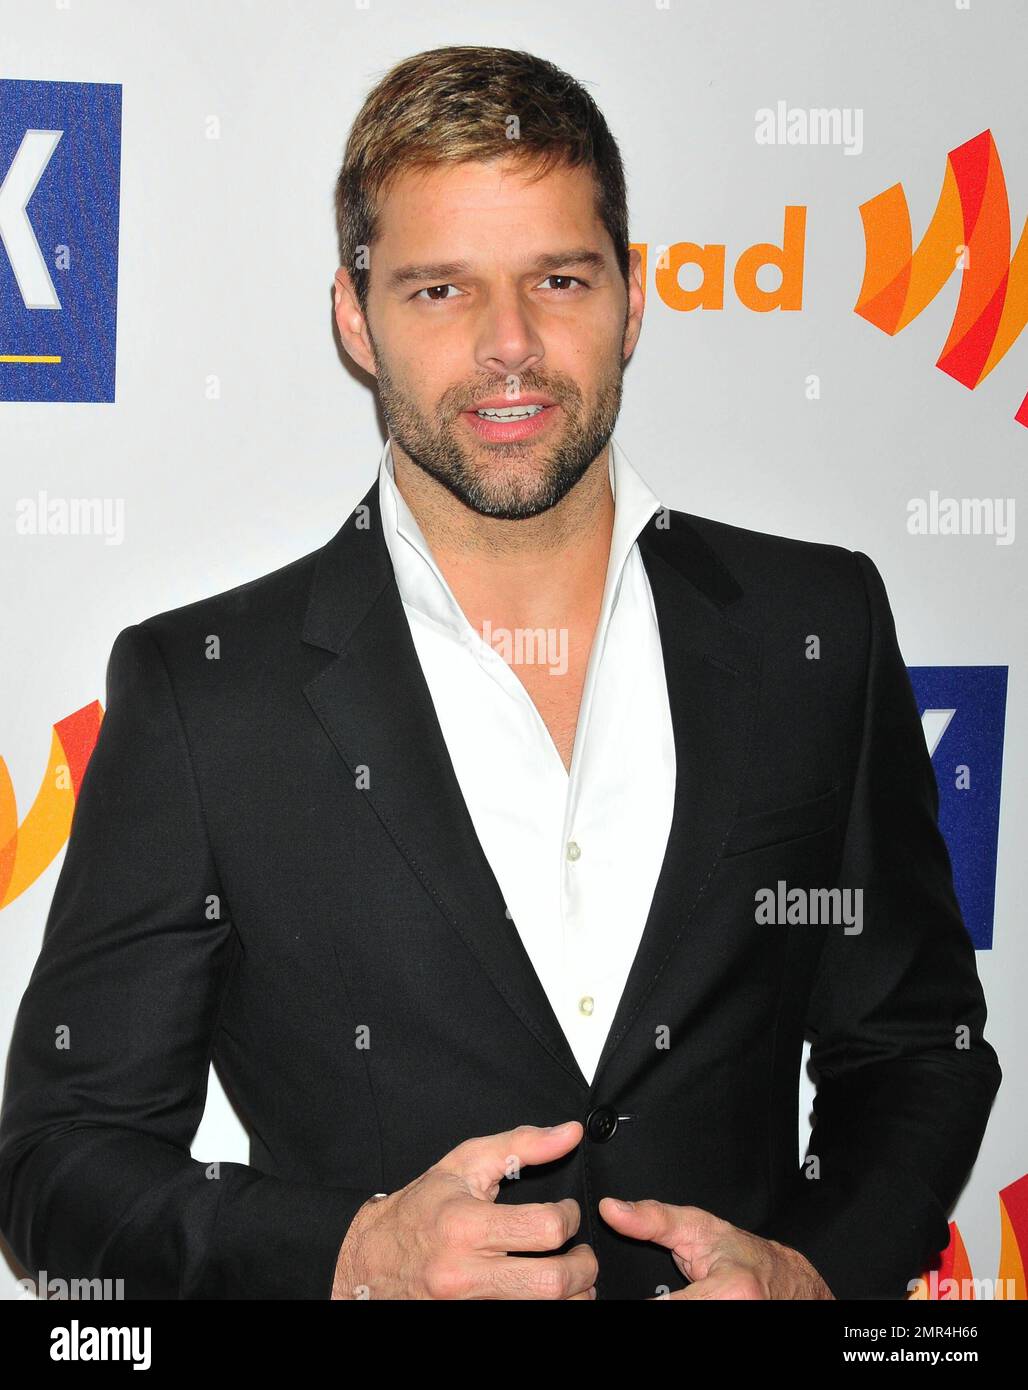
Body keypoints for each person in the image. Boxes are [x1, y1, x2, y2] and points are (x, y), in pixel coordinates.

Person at [0, 45, 1001, 1301]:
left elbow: (915, 1047)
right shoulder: (209, 694)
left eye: (558, 278)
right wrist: (350, 1257)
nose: (510, 346)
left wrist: (815, 1275)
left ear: (633, 300)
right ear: (353, 321)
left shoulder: (814, 629)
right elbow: (60, 1163)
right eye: (439, 291)